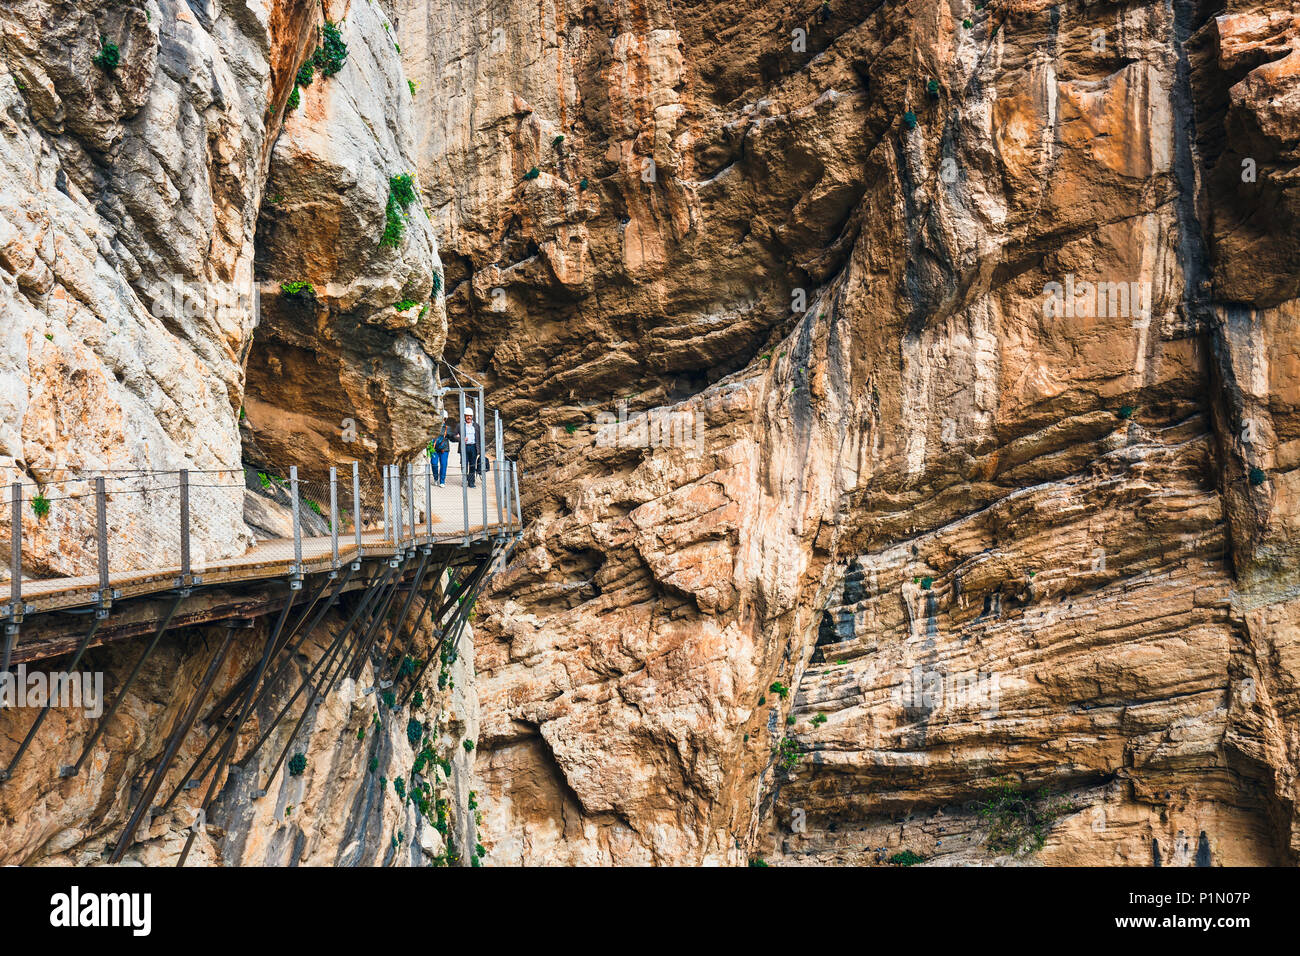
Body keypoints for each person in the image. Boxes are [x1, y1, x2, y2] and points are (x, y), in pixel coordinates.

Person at [462, 408, 481, 488]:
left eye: (470, 416)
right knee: (464, 464)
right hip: (464, 447)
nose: (469, 417)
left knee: (472, 465)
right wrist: (461, 438)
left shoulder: (476, 426)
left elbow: (479, 438)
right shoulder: (461, 425)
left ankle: (471, 482)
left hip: (473, 447)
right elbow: (454, 436)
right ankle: (464, 480)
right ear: (464, 416)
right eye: (467, 416)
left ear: (472, 416)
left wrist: (480, 449)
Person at [431, 422, 450, 486]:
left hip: (444, 449)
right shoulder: (432, 426)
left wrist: (458, 437)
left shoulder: (447, 428)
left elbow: (452, 437)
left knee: (443, 464)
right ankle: (436, 478)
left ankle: (442, 481)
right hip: (434, 448)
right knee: (434, 463)